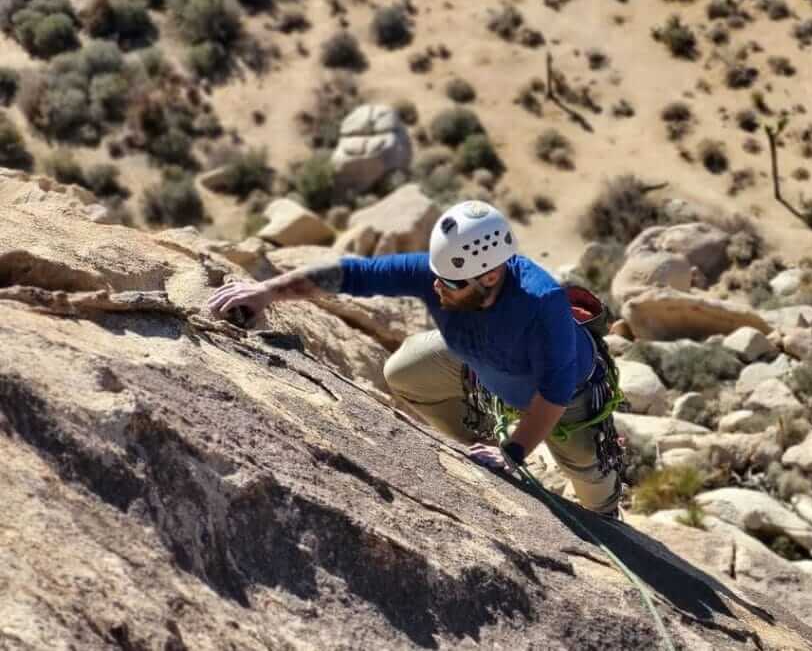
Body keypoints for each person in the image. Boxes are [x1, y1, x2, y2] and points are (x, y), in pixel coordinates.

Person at [207, 200, 622, 516]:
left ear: (490, 276)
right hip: (482, 362)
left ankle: (603, 505)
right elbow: (353, 274)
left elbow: (554, 390)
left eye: (452, 283)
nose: (437, 288)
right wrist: (265, 291)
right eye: (436, 276)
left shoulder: (540, 302)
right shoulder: (441, 273)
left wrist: (513, 454)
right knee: (404, 372)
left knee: (592, 490)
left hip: (570, 399)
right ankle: (481, 445)